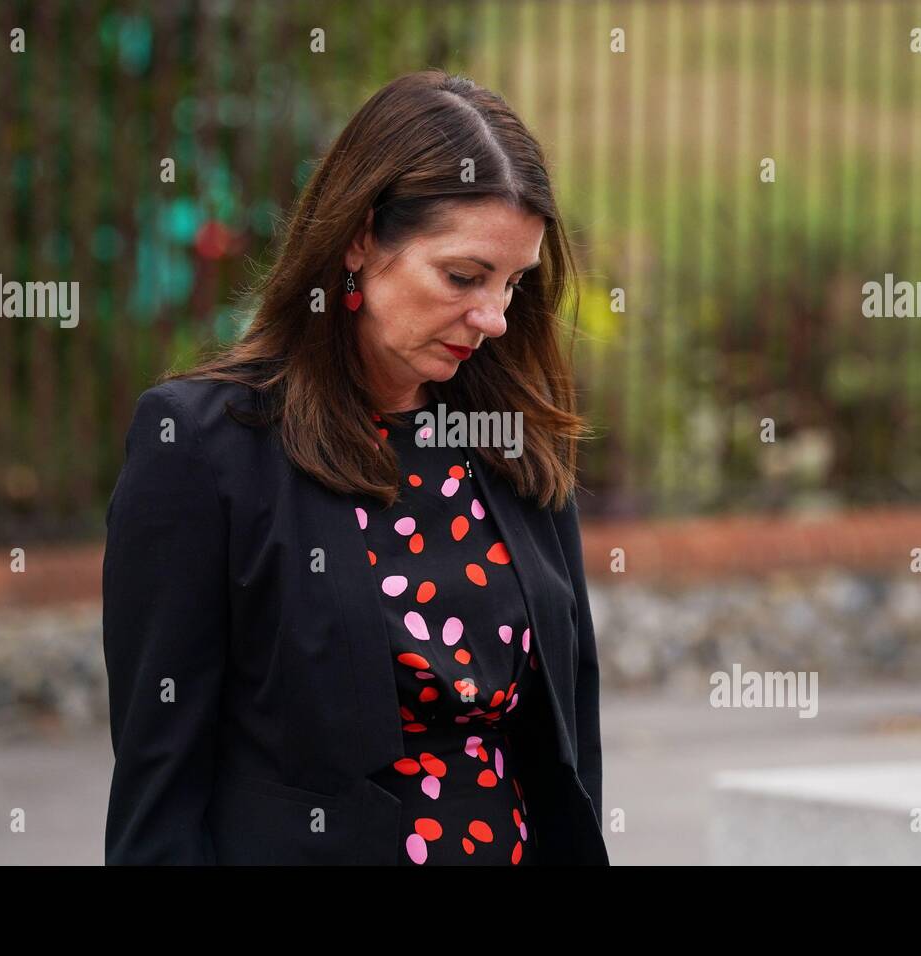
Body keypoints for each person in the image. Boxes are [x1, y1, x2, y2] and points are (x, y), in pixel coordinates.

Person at [103, 69, 608, 865]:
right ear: (359, 238)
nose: (495, 319)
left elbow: (570, 738)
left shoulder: (510, 437)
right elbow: (159, 789)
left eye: (514, 282)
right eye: (464, 276)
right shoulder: (203, 447)